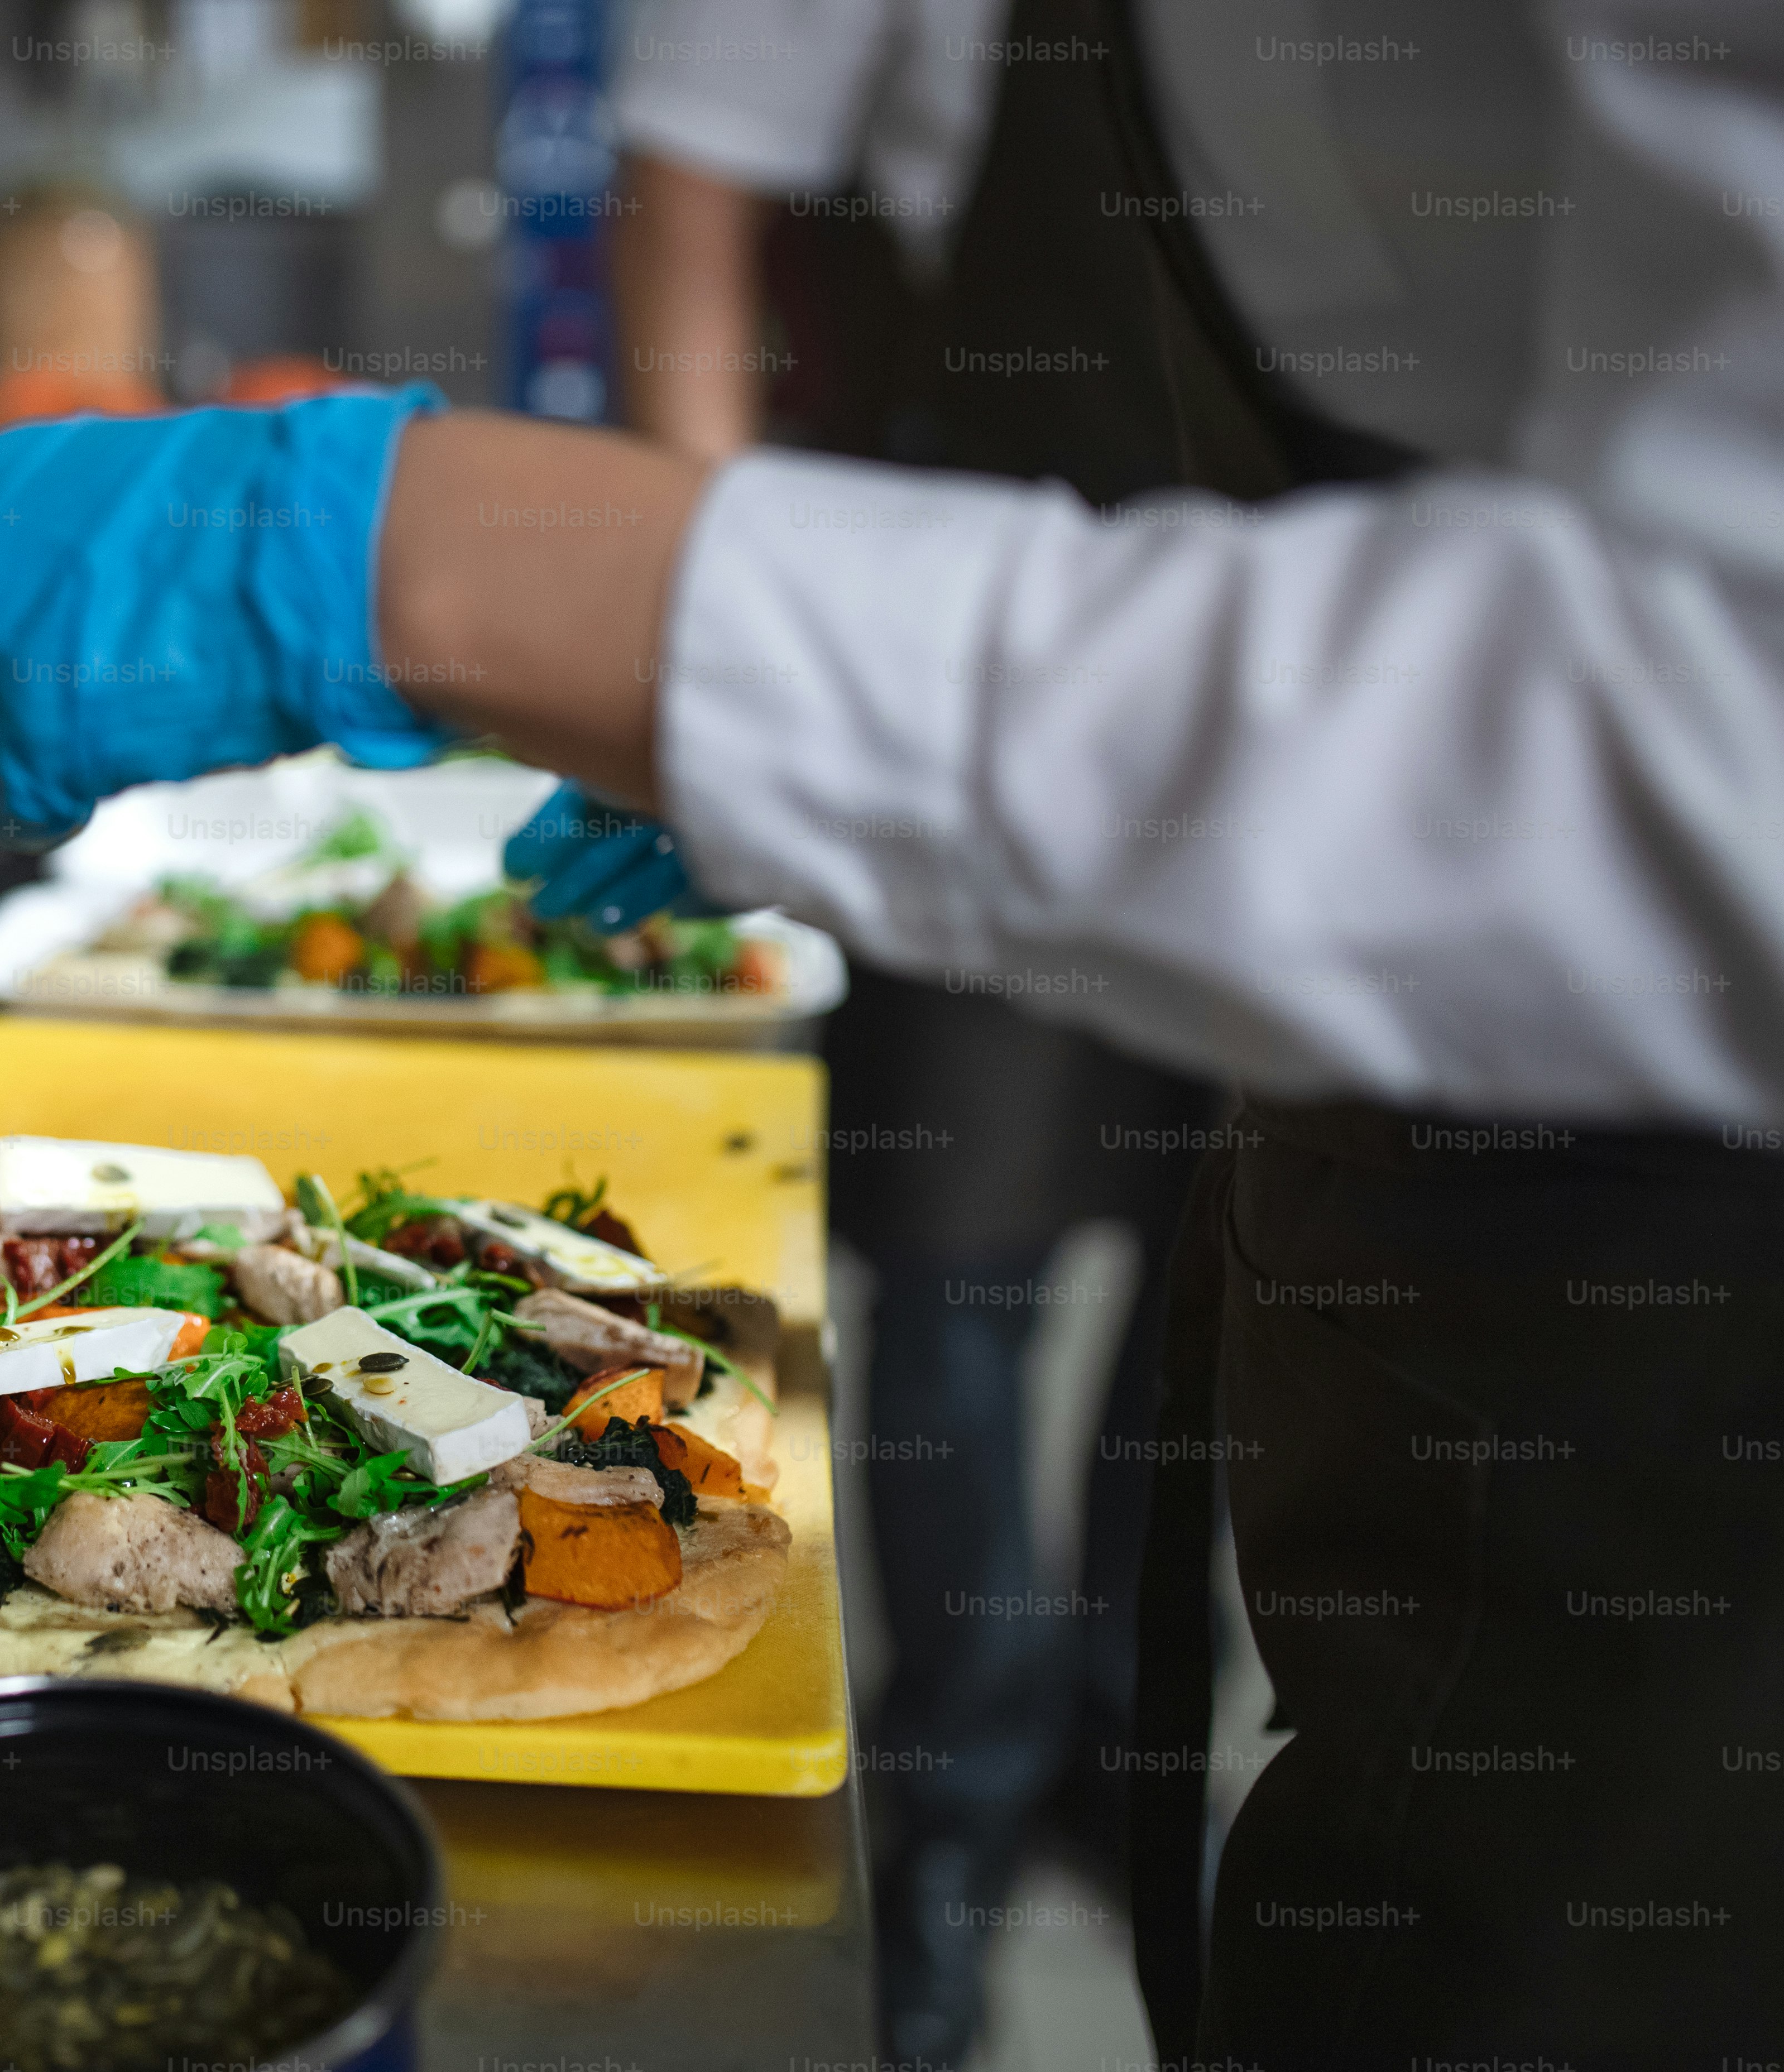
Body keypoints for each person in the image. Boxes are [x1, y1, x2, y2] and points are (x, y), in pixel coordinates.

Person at [0, 2, 1784, 2061]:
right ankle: (972, 1806)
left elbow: (1726, 737)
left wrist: (503, 576)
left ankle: (1078, 1769)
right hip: (1337, 1015)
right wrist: (712, 648)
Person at [608, 6, 1220, 2056]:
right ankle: (951, 1797)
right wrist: (704, 644)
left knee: (1247, 1257)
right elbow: (692, 187)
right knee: (960, 1265)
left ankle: (1135, 1754)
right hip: (988, 618)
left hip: (1341, 606)